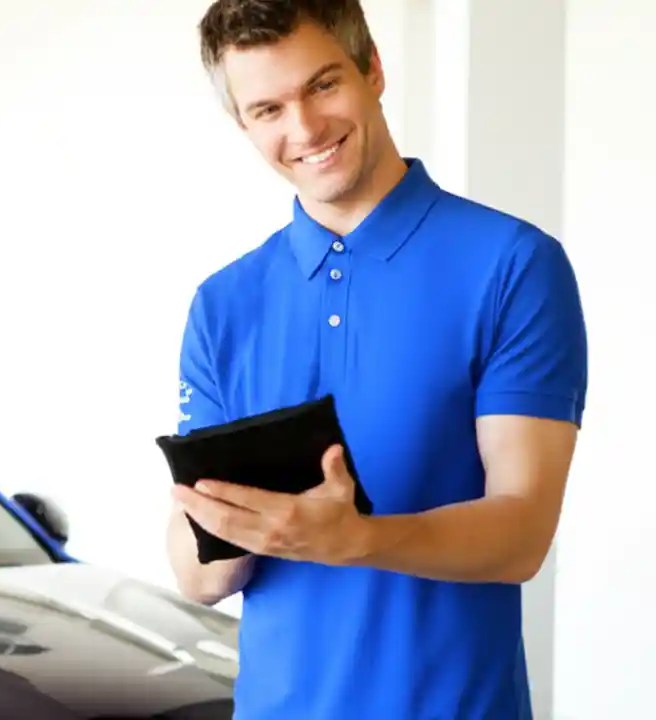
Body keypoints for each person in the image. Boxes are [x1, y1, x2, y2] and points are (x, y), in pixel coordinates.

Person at [165, 1, 588, 719]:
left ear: (373, 70)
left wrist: (357, 540)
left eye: (323, 85)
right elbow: (196, 573)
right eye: (268, 109)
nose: (304, 130)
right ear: (244, 123)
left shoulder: (513, 266)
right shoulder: (224, 303)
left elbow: (522, 534)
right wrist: (248, 532)